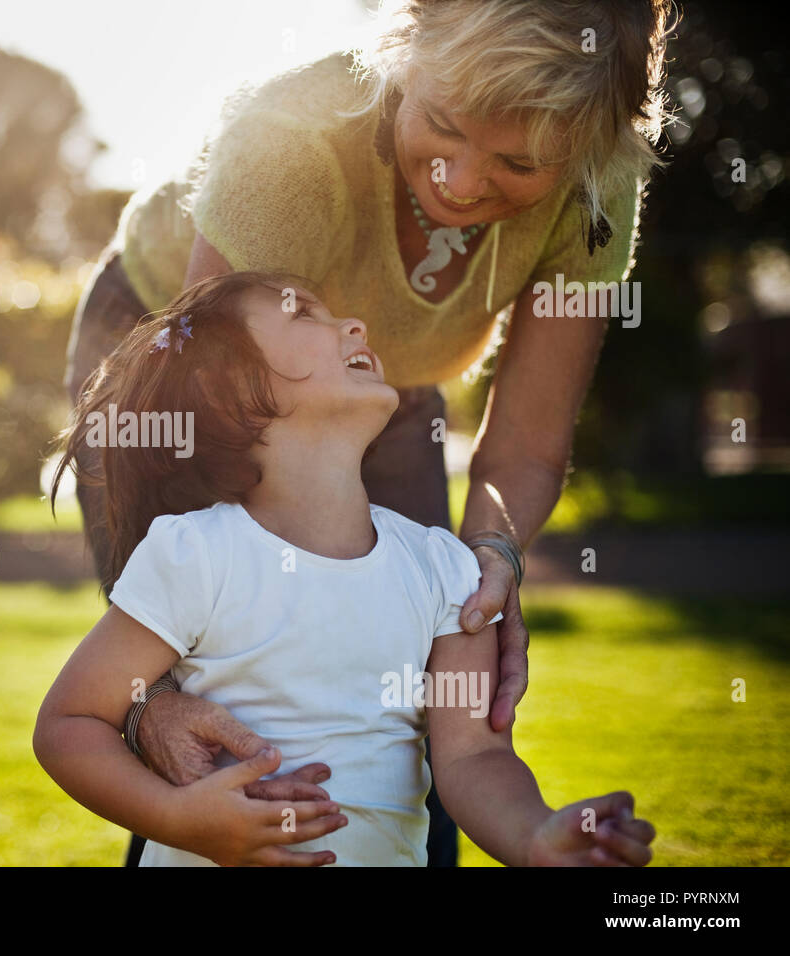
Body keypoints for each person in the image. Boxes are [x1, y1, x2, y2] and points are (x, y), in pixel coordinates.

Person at [61, 0, 675, 866]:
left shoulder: (597, 186)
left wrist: (487, 563)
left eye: (517, 161)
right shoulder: (293, 141)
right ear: (408, 50)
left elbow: (525, 446)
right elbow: (200, 414)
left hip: (380, 380)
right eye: (444, 127)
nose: (461, 183)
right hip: (181, 363)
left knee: (425, 670)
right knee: (195, 679)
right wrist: (147, 696)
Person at [37, 272, 657, 866]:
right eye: (305, 313)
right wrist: (179, 821)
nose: (356, 325)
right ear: (230, 392)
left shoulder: (446, 571)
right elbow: (72, 722)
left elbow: (473, 758)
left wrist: (536, 837)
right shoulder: (195, 554)